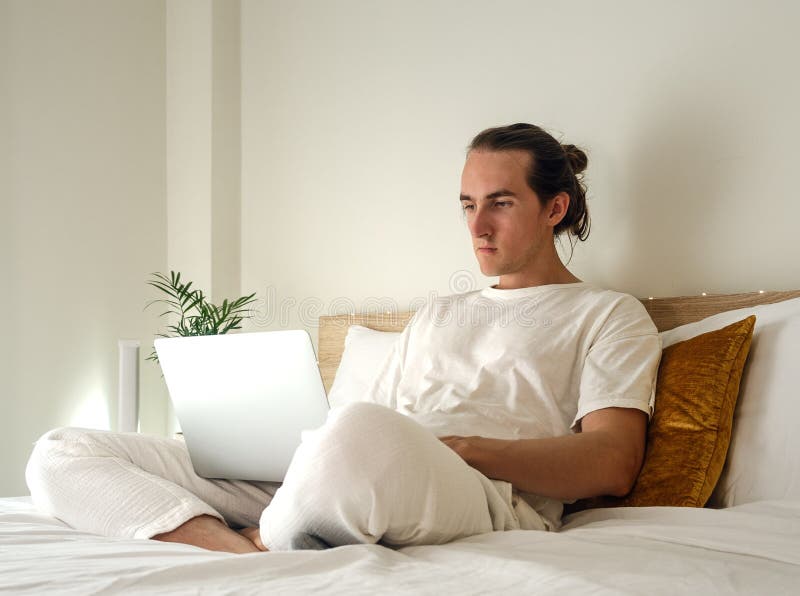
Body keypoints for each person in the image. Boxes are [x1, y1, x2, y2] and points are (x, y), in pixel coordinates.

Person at [25, 123, 661, 554]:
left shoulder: (607, 313)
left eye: (500, 203)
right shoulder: (438, 313)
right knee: (62, 451)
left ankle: (270, 535)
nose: (478, 225)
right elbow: (357, 428)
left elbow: (612, 462)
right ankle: (235, 551)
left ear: (554, 208)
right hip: (345, 466)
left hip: (480, 492)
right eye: (466, 205)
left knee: (360, 433)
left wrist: (464, 447)